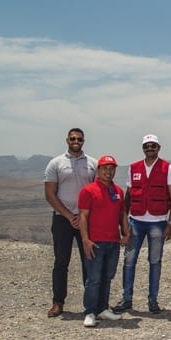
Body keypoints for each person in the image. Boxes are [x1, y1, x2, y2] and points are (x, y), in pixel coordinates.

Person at [112, 134, 171, 314]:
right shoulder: (134, 168)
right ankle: (127, 299)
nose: (150, 148)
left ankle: (153, 300)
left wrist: (170, 223)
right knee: (129, 261)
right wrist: (124, 222)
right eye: (147, 146)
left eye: (153, 146)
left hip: (158, 222)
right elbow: (128, 195)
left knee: (155, 261)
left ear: (159, 148)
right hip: (136, 221)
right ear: (143, 148)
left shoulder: (167, 168)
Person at [44, 128, 97, 318]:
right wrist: (68, 216)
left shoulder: (93, 163)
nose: (76, 141)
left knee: (89, 261)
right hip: (62, 219)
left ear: (84, 141)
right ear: (67, 140)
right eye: (73, 138)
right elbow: (50, 193)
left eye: (79, 139)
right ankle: (58, 302)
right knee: (61, 261)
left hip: (86, 219)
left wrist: (82, 217)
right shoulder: (56, 163)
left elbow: (97, 192)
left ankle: (91, 304)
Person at [78, 155, 129, 327]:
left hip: (113, 242)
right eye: (105, 168)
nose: (108, 171)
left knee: (107, 276)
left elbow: (122, 214)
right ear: (98, 170)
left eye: (111, 168)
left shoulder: (118, 191)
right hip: (95, 242)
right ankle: (90, 311)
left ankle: (102, 308)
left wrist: (125, 233)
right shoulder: (88, 190)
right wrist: (85, 239)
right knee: (94, 278)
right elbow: (83, 216)